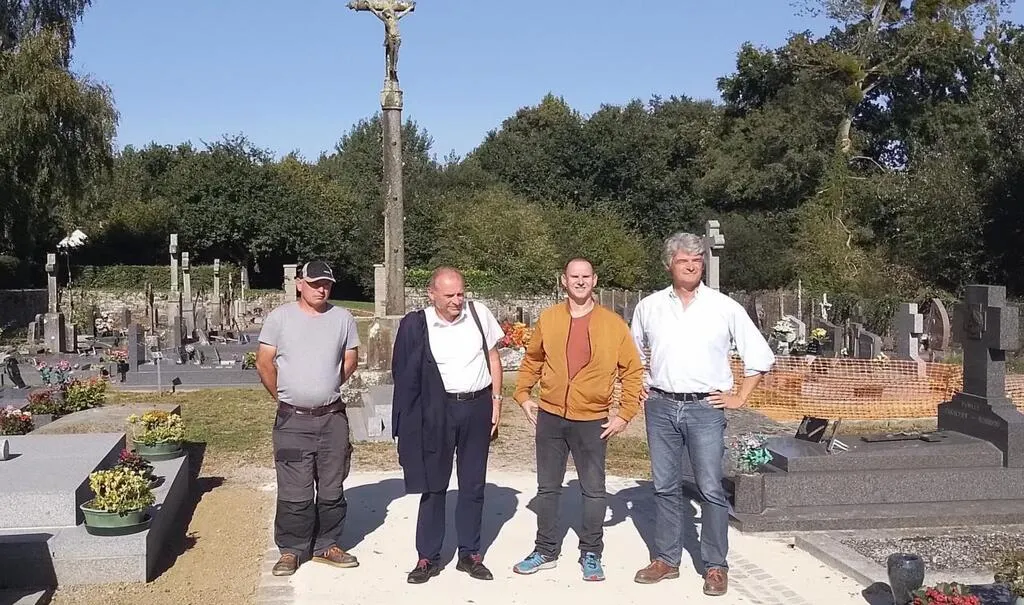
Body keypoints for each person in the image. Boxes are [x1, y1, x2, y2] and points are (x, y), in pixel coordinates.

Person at [629, 232, 775, 596]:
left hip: (705, 409)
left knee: (710, 488)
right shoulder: (649, 306)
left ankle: (714, 565)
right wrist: (642, 381)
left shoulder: (724, 307)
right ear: (669, 265)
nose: (691, 265)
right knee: (664, 486)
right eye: (683, 260)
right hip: (661, 406)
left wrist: (740, 395)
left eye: (696, 260)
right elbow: (632, 353)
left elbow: (759, 354)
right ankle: (666, 558)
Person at [511, 258, 644, 582]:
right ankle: (545, 551)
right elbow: (533, 359)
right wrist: (524, 395)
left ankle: (591, 553)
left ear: (594, 280)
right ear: (564, 281)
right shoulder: (550, 318)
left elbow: (633, 371)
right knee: (547, 489)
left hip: (592, 420)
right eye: (574, 276)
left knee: (595, 491)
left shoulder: (613, 325)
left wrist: (624, 414)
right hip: (552, 417)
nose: (580, 281)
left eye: (586, 276)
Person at [390, 267, 504, 584]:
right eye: (450, 295)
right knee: (433, 485)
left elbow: (493, 357)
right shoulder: (419, 324)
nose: (457, 300)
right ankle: (427, 556)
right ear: (432, 294)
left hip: (478, 406)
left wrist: (496, 401)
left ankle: (469, 554)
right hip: (437, 411)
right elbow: (403, 374)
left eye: (460, 293)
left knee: (473, 485)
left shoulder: (479, 314)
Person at [255, 260, 361, 577]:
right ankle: (291, 549)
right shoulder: (280, 319)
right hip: (292, 421)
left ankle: (326, 544)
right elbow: (264, 363)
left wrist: (324, 387)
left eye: (326, 283)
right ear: (300, 283)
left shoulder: (342, 318)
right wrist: (287, 397)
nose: (321, 289)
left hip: (332, 419)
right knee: (294, 489)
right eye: (315, 283)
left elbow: (350, 360)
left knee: (331, 486)